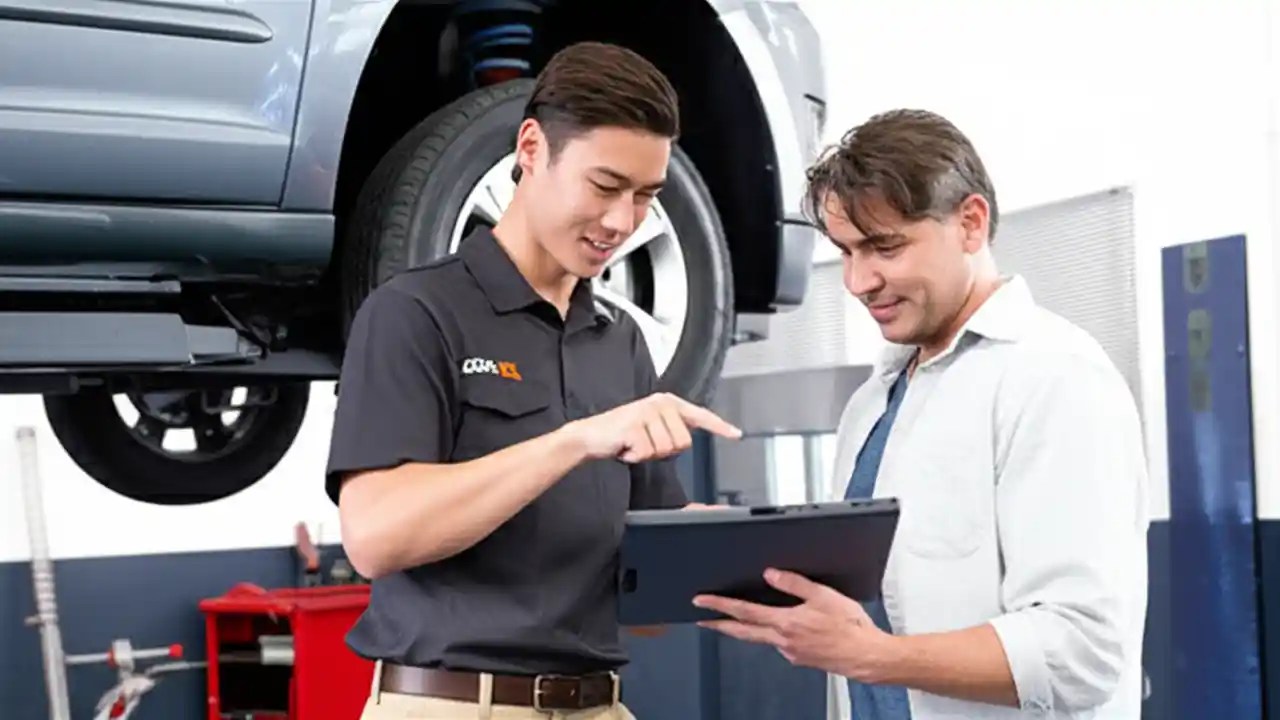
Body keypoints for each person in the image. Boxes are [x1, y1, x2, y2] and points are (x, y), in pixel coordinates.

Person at [325, 41, 741, 720]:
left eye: (645, 196)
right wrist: (573, 442)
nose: (623, 222)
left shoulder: (622, 341)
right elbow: (374, 538)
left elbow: (647, 601)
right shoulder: (415, 314)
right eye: (604, 186)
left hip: (598, 704)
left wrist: (743, 552)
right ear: (531, 148)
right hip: (456, 707)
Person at [693, 109, 1150, 719]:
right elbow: (877, 600)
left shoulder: (1055, 378)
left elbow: (1082, 650)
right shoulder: (874, 402)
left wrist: (872, 656)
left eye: (884, 247)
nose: (858, 280)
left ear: (971, 223)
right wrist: (749, 552)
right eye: (846, 252)